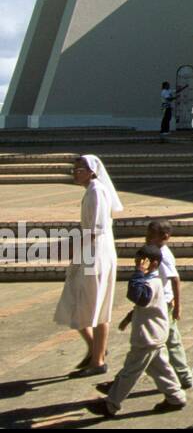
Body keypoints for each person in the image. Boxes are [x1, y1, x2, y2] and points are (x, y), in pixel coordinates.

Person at [88, 245, 187, 416]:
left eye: (141, 263)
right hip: (156, 335)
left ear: (153, 264)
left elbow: (138, 297)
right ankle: (176, 397)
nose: (137, 266)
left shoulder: (151, 282)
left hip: (148, 338)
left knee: (130, 372)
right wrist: (128, 318)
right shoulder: (152, 281)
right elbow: (142, 306)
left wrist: (138, 274)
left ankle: (111, 404)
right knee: (161, 369)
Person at [54, 155, 122, 376]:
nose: (75, 172)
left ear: (92, 171)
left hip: (95, 256)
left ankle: (98, 360)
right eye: (74, 168)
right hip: (92, 253)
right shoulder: (93, 190)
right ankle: (96, 351)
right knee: (79, 304)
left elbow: (95, 229)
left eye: (80, 169)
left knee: (94, 306)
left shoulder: (96, 192)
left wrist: (74, 248)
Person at [146, 219, 193, 389]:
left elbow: (175, 279)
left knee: (164, 342)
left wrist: (177, 306)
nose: (147, 239)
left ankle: (182, 376)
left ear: (164, 236)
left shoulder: (162, 254)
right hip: (158, 301)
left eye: (151, 236)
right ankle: (184, 376)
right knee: (169, 341)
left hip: (163, 303)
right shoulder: (156, 251)